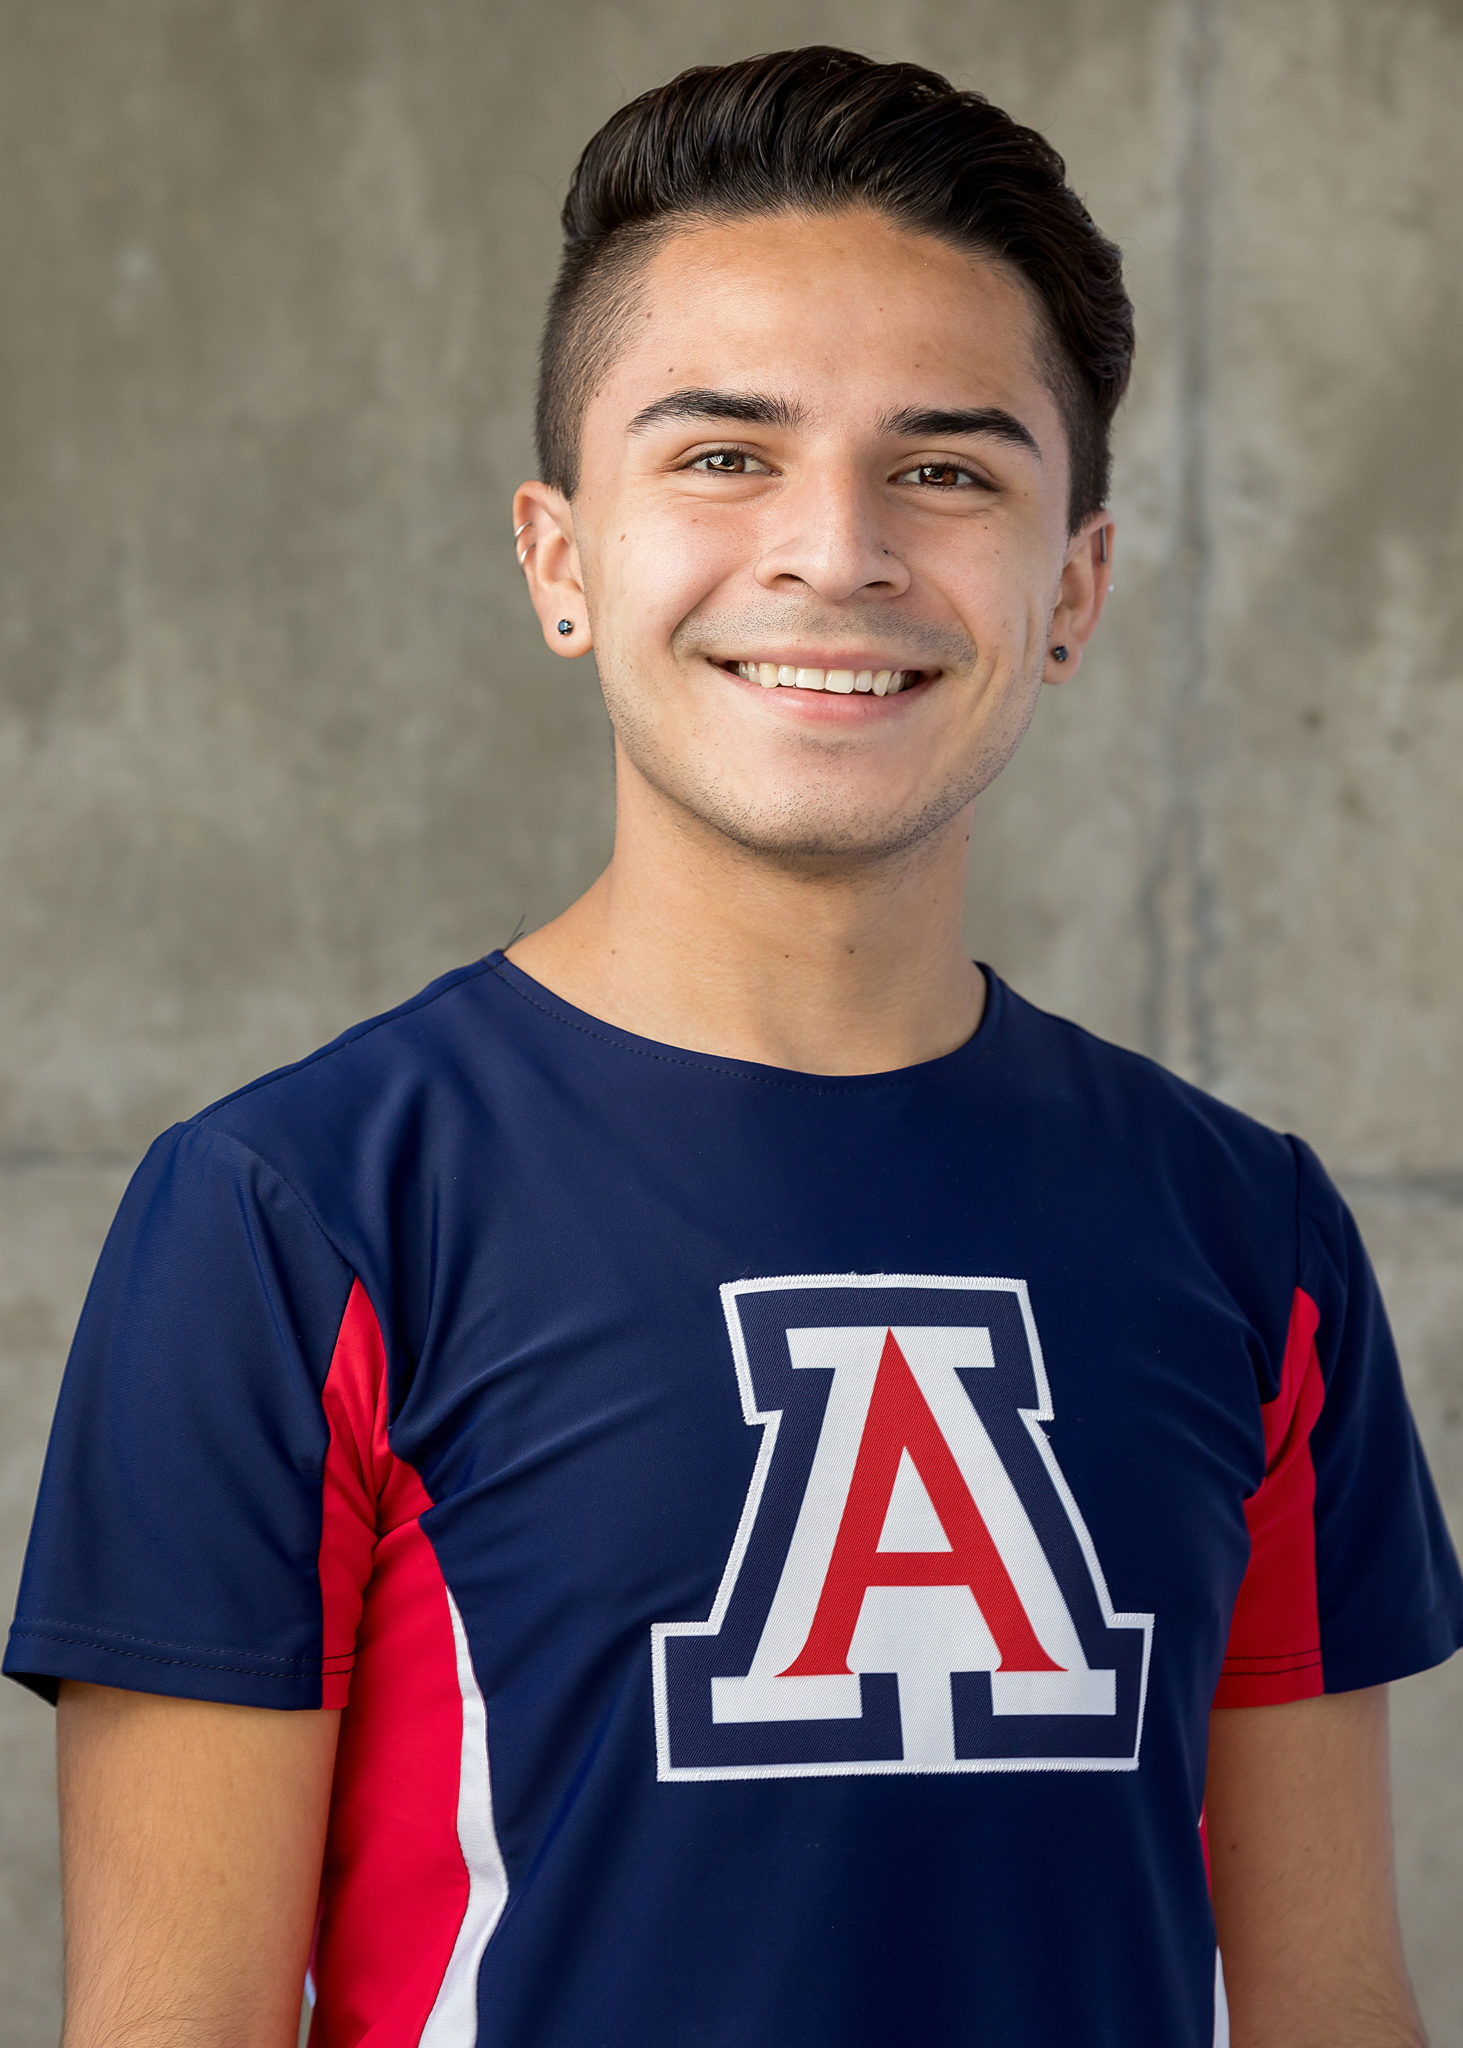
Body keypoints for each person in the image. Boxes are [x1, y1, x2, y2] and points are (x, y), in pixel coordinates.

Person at [7, 44, 1461, 2048]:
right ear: (559, 560)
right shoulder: (294, 1217)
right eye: (721, 456)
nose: (835, 548)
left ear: (1078, 588)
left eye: (947, 468)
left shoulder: (1252, 1236)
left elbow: (1333, 2007)